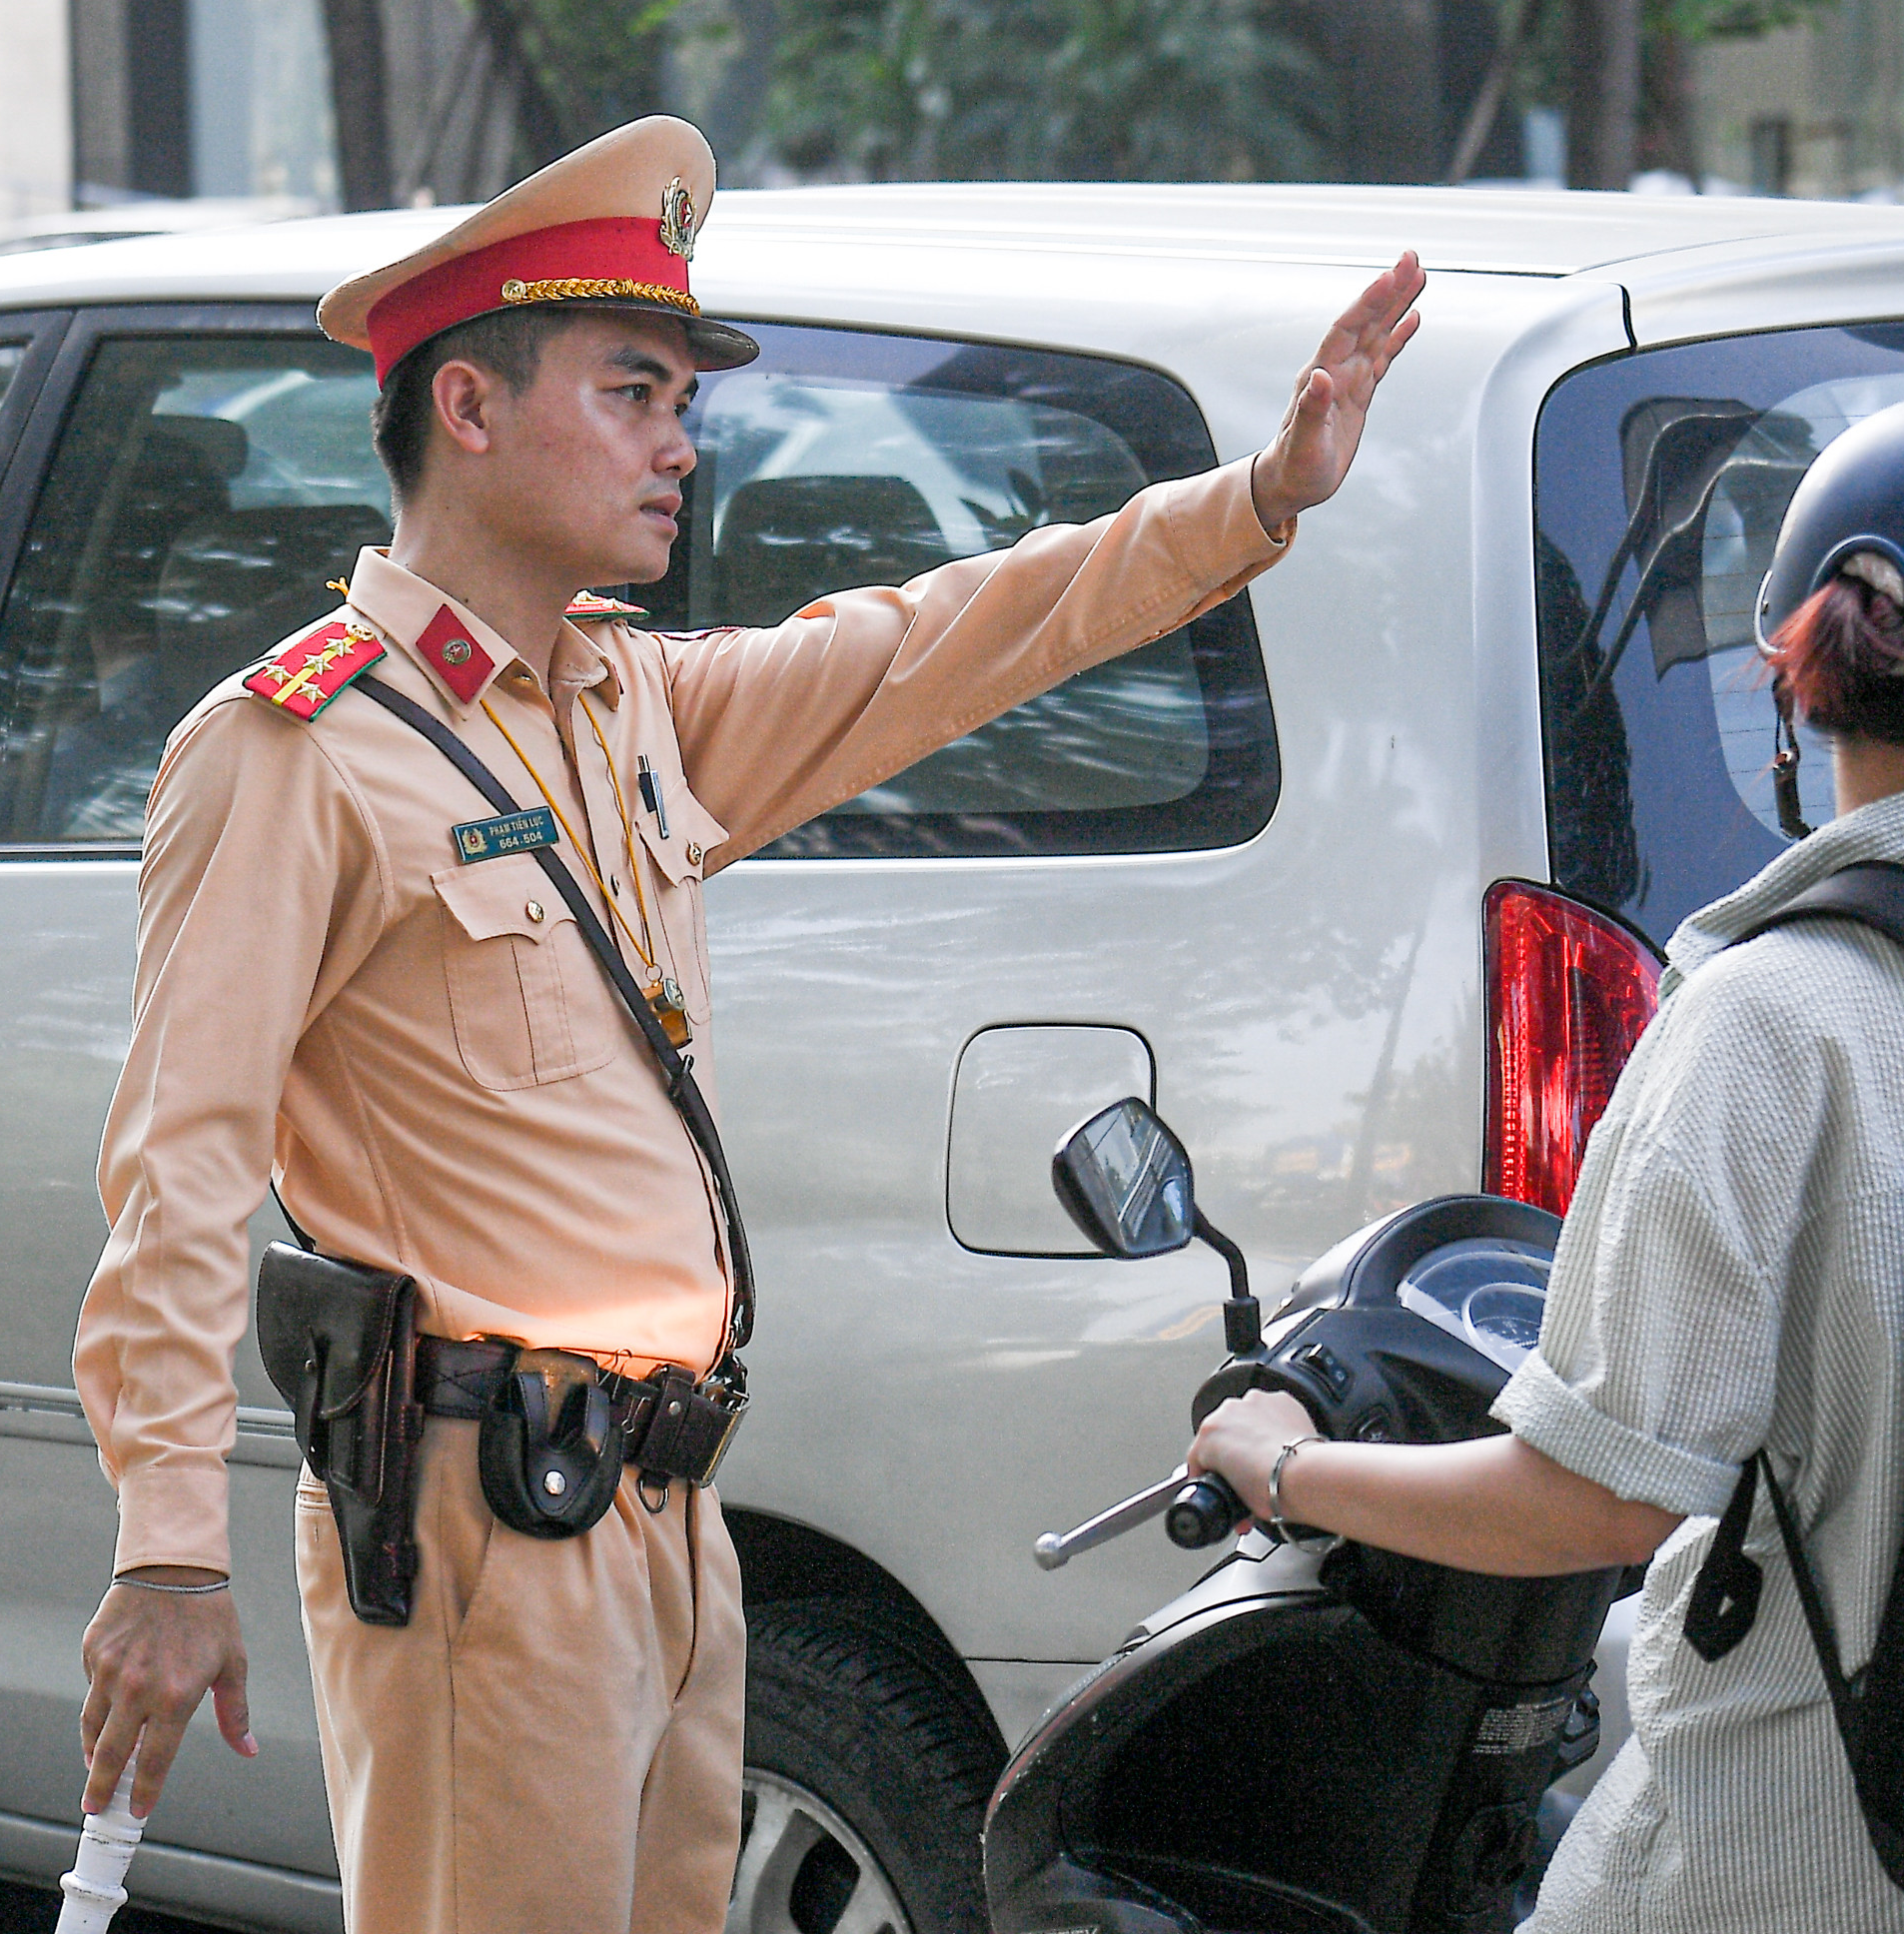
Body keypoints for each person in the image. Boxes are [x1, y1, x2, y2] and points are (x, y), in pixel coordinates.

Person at [69, 115, 1423, 1932]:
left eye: (679, 396)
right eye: (630, 390)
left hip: (666, 1508)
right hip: (480, 1520)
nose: (680, 437)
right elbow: (178, 1171)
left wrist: (1252, 498)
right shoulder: (293, 750)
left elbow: (944, 639)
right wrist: (164, 1546)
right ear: (465, 410)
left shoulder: (629, 701)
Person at [1189, 392, 1904, 1934]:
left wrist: (1282, 1466)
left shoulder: (1764, 1019)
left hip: (1814, 1848)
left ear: (1800, 682)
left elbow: (1593, 1499)